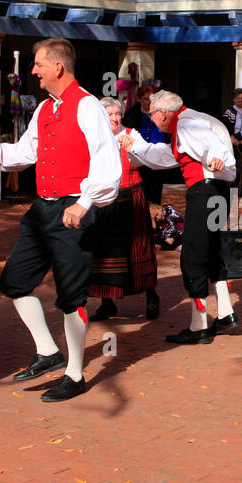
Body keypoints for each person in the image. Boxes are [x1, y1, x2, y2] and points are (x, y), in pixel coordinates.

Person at [0, 38, 121, 402]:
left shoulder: (87, 105)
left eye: (38, 65)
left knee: (71, 295)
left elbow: (108, 163)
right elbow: (22, 153)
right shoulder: (45, 109)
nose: (33, 71)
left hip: (74, 209)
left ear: (57, 67)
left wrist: (85, 202)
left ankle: (75, 375)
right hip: (43, 209)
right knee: (14, 281)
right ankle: (48, 352)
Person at [120, 90, 236, 343]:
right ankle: (226, 314)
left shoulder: (186, 123)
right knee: (211, 250)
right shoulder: (189, 121)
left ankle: (199, 326)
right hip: (218, 193)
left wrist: (218, 157)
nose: (151, 119)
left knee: (193, 256)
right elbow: (166, 157)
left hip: (205, 192)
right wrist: (137, 148)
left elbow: (212, 145)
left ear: (163, 113)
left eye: (151, 114)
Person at [88, 97, 159, 321]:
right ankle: (107, 302)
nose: (115, 118)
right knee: (104, 252)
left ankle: (151, 296)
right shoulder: (94, 137)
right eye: (110, 114)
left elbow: (148, 158)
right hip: (105, 200)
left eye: (118, 114)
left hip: (132, 195)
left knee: (139, 247)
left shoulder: (132, 134)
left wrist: (133, 149)